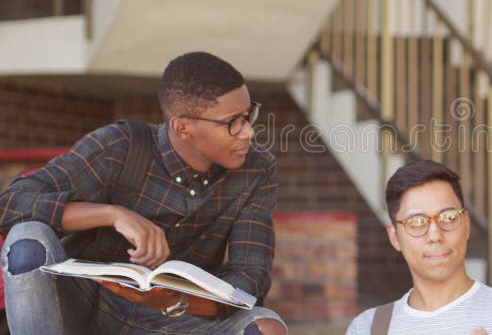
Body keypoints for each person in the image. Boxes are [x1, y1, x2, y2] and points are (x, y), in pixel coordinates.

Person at [0, 52, 287, 334]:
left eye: (248, 116)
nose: (248, 132)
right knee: (27, 237)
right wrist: (112, 215)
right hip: (81, 305)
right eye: (233, 122)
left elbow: (250, 280)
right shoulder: (120, 147)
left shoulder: (256, 171)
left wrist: (174, 299)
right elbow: (11, 204)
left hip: (173, 317)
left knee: (266, 327)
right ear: (182, 127)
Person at [346, 160, 492, 335]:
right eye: (417, 222)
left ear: (467, 225)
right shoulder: (368, 328)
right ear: (394, 237)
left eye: (449, 217)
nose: (435, 235)